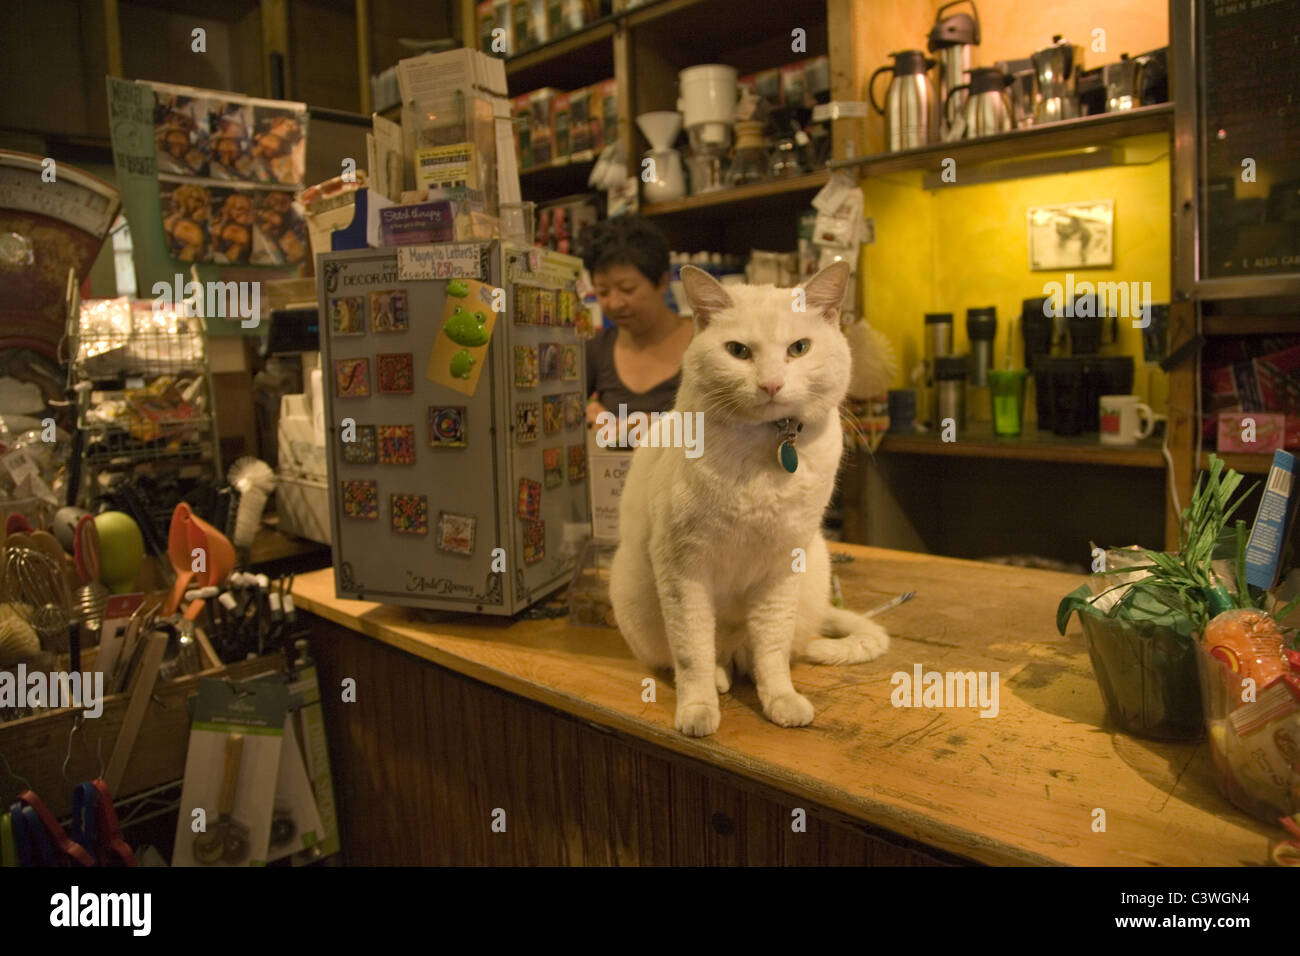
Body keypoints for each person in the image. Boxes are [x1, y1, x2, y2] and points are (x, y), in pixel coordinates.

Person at [580, 216, 692, 433]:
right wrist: (586, 414)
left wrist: (665, 429)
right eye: (602, 291)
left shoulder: (702, 344)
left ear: (661, 281)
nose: (614, 303)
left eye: (627, 289)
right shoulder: (596, 350)